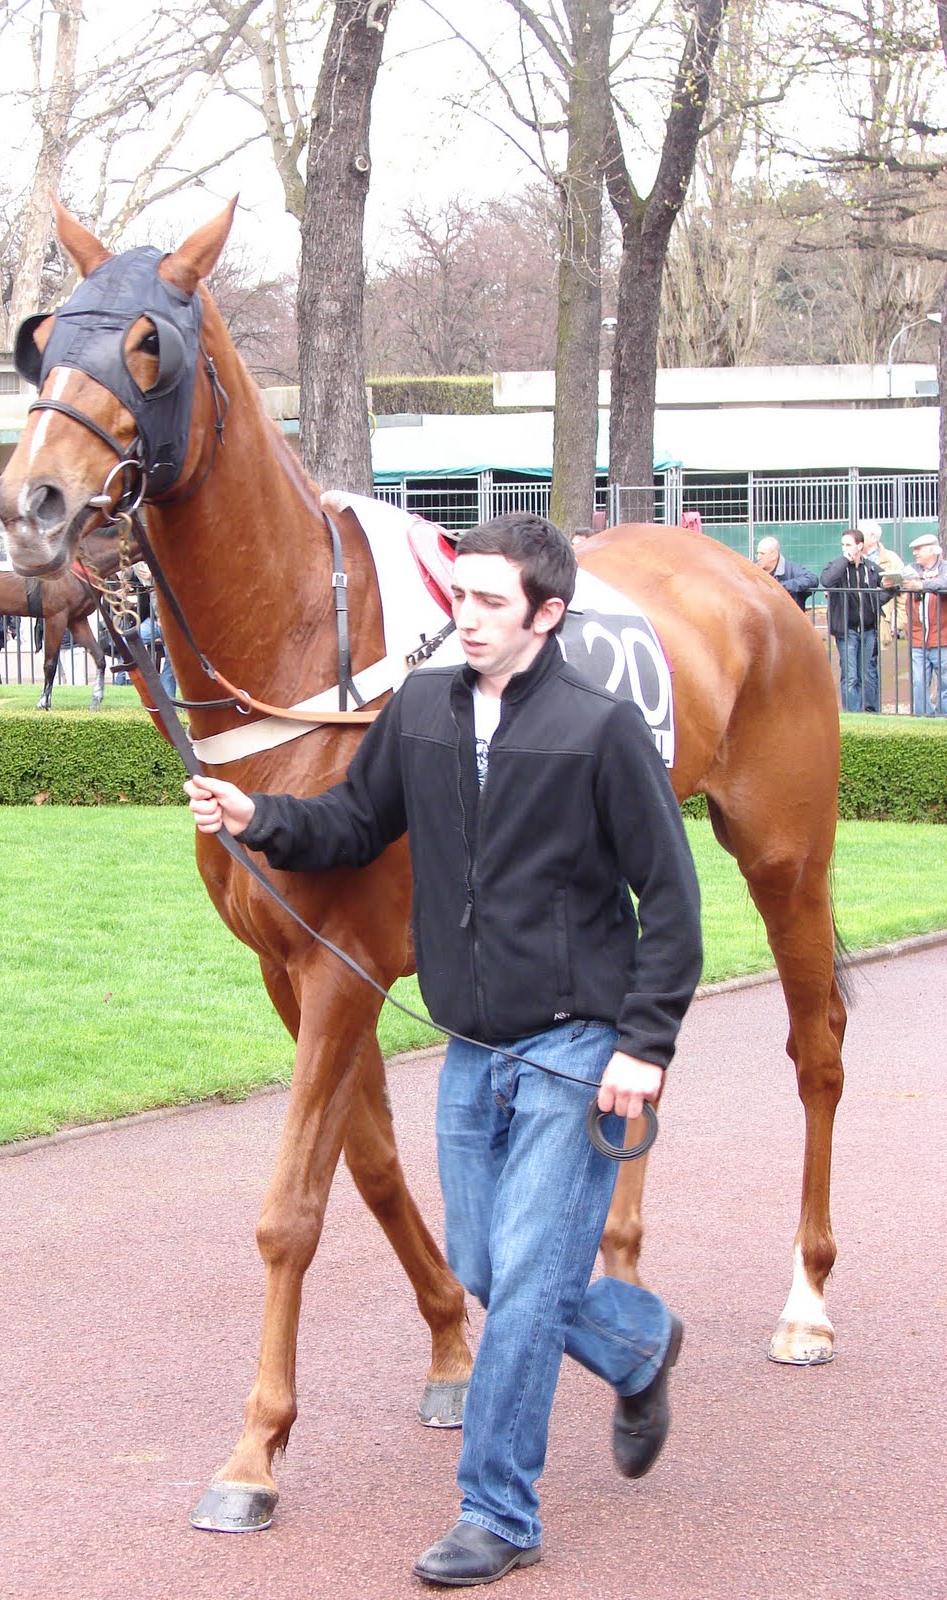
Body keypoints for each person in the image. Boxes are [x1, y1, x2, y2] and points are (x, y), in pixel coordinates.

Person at [186, 513, 702, 1589]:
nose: (465, 617)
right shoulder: (420, 709)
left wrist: (643, 1046)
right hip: (471, 1049)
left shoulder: (601, 730)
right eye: (459, 596)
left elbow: (673, 902)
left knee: (524, 1289)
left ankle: (498, 1510)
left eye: (490, 603)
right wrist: (257, 813)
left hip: (575, 1049)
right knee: (486, 1270)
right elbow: (350, 828)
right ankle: (635, 1342)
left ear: (546, 616)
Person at [820, 528, 889, 713]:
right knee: (850, 676)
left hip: (868, 628)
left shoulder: (870, 568)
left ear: (860, 546)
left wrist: (876, 601)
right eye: (843, 544)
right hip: (846, 629)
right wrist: (845, 560)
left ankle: (871, 712)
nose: (845, 548)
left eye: (849, 544)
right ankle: (853, 713)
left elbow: (890, 585)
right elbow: (826, 580)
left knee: (868, 673)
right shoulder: (837, 566)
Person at [889, 533, 946, 715]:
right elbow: (894, 582)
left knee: (945, 682)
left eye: (919, 549)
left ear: (932, 550)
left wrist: (922, 585)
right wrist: (887, 582)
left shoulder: (944, 569)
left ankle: (943, 717)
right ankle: (923, 717)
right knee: (918, 682)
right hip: (917, 638)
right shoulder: (911, 569)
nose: (915, 553)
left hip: (943, 638)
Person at [860, 521, 906, 643]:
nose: (857, 538)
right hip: (855, 621)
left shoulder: (892, 559)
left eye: (861, 535)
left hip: (883, 621)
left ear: (874, 538)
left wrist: (899, 622)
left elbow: (903, 593)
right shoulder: (851, 558)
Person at [754, 536, 818, 611]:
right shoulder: (753, 571)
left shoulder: (791, 569)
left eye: (762, 554)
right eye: (757, 553)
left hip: (789, 616)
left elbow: (812, 579)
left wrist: (781, 587)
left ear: (774, 555)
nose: (758, 557)